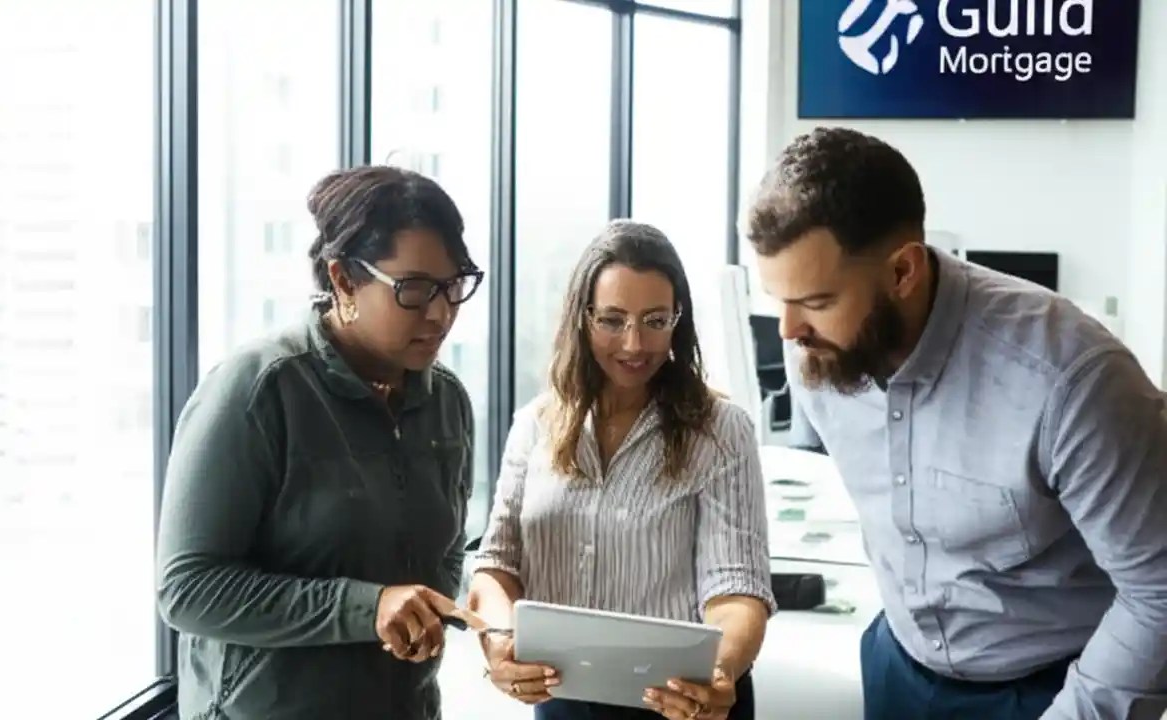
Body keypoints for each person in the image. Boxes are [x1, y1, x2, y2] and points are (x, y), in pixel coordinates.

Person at [747, 126, 1167, 720]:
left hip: (1045, 691)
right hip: (897, 667)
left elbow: (1159, 591)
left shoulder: (1073, 379)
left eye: (816, 302)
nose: (789, 331)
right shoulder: (818, 352)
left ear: (902, 273)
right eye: (778, 300)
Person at [155, 165, 485, 719]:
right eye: (414, 289)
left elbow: (447, 547)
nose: (440, 312)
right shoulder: (260, 388)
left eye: (454, 285)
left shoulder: (446, 401)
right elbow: (187, 588)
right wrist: (367, 607)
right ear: (343, 280)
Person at [468, 220, 775, 720]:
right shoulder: (534, 425)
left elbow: (738, 584)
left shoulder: (720, 430)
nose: (634, 344)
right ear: (582, 318)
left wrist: (720, 670)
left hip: (680, 702)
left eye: (655, 320)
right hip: (562, 698)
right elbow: (497, 565)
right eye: (612, 320)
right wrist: (499, 641)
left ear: (679, 320)